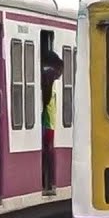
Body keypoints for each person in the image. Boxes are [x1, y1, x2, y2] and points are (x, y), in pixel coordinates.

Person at [41, 48, 64, 191]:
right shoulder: (49, 76)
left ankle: (48, 181)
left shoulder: (47, 75)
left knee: (48, 150)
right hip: (48, 121)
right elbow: (47, 99)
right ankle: (48, 181)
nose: (59, 77)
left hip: (49, 120)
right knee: (48, 150)